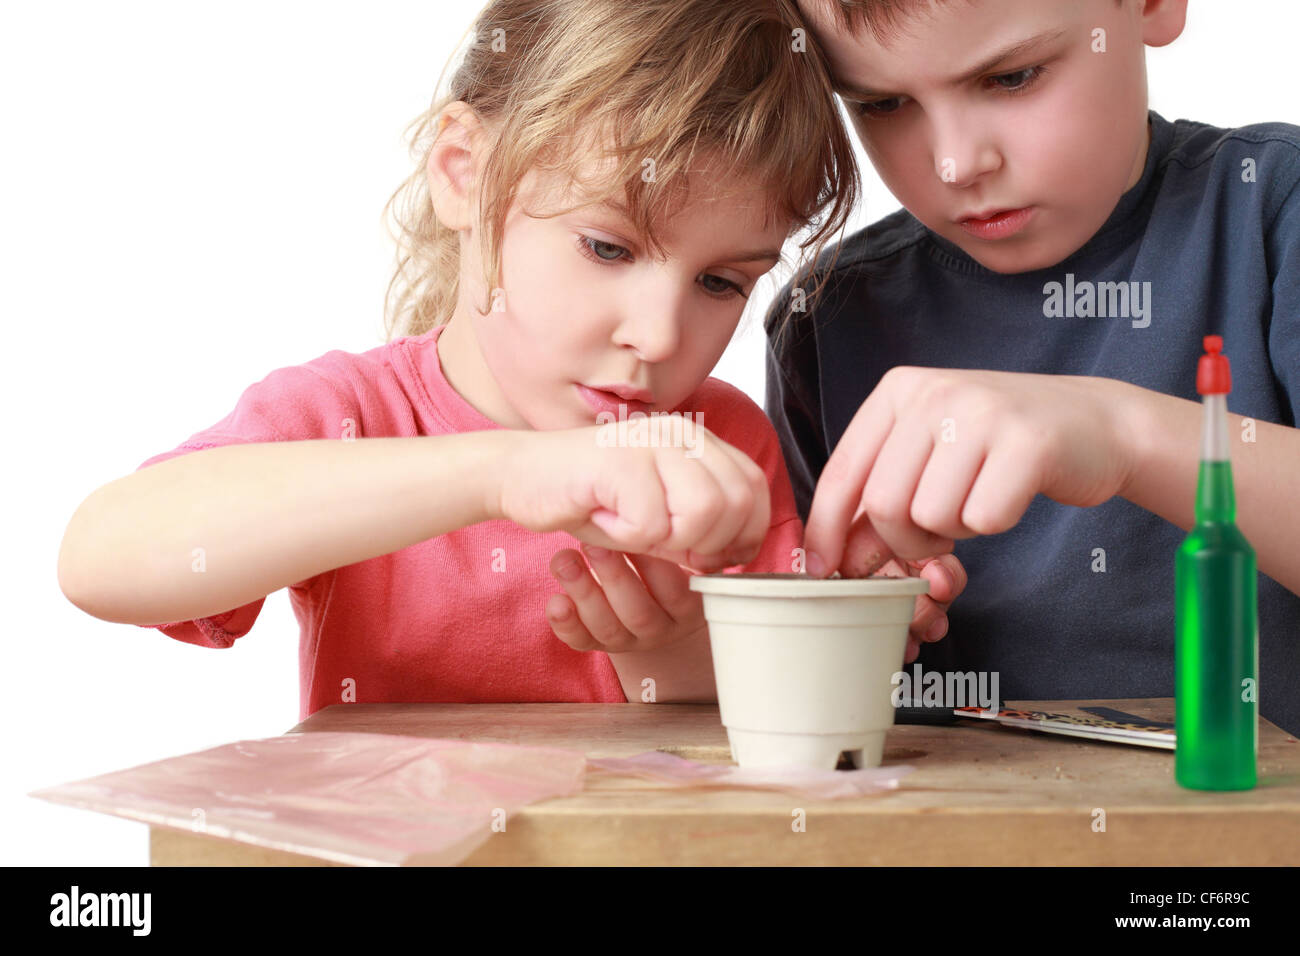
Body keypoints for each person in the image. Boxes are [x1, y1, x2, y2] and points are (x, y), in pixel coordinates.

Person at [56, 0, 963, 722]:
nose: (657, 335)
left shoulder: (715, 441)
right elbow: (101, 560)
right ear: (463, 172)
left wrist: (831, 625)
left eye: (722, 282)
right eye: (608, 248)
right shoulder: (352, 416)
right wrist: (503, 472)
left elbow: (737, 720)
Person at [767, 0, 1300, 734]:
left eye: (1012, 77)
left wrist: (1124, 435)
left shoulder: (1275, 212)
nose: (956, 164)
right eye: (883, 104)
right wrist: (859, 623)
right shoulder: (825, 318)